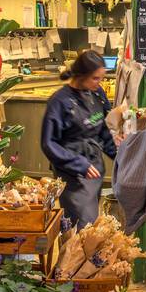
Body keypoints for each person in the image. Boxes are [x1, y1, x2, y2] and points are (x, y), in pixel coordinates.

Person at [41, 51, 118, 226]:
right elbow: (48, 143)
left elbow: (102, 131)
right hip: (72, 173)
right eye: (96, 78)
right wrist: (78, 164)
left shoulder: (96, 94)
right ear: (81, 76)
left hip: (94, 169)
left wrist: (119, 155)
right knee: (81, 225)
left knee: (91, 224)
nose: (100, 83)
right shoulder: (60, 101)